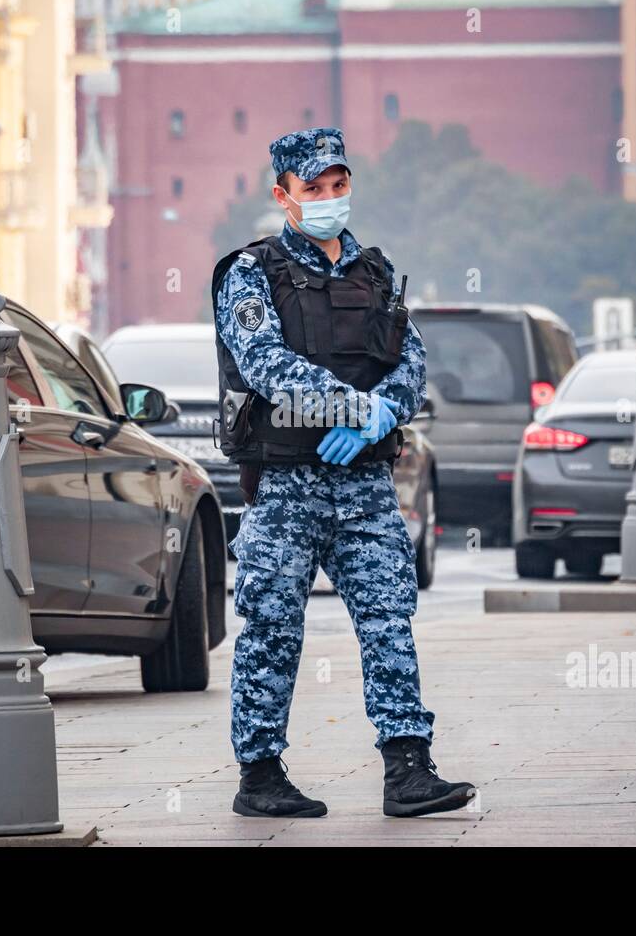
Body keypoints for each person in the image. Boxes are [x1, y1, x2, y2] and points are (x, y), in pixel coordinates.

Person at [211, 126, 475, 818]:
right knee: (271, 628)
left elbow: (409, 362)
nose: (328, 198)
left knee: (389, 620)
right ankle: (261, 776)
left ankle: (409, 770)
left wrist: (383, 414)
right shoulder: (251, 272)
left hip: (362, 483)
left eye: (338, 185)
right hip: (285, 482)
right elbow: (266, 362)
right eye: (313, 188)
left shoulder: (376, 274)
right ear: (283, 194)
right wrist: (350, 408)